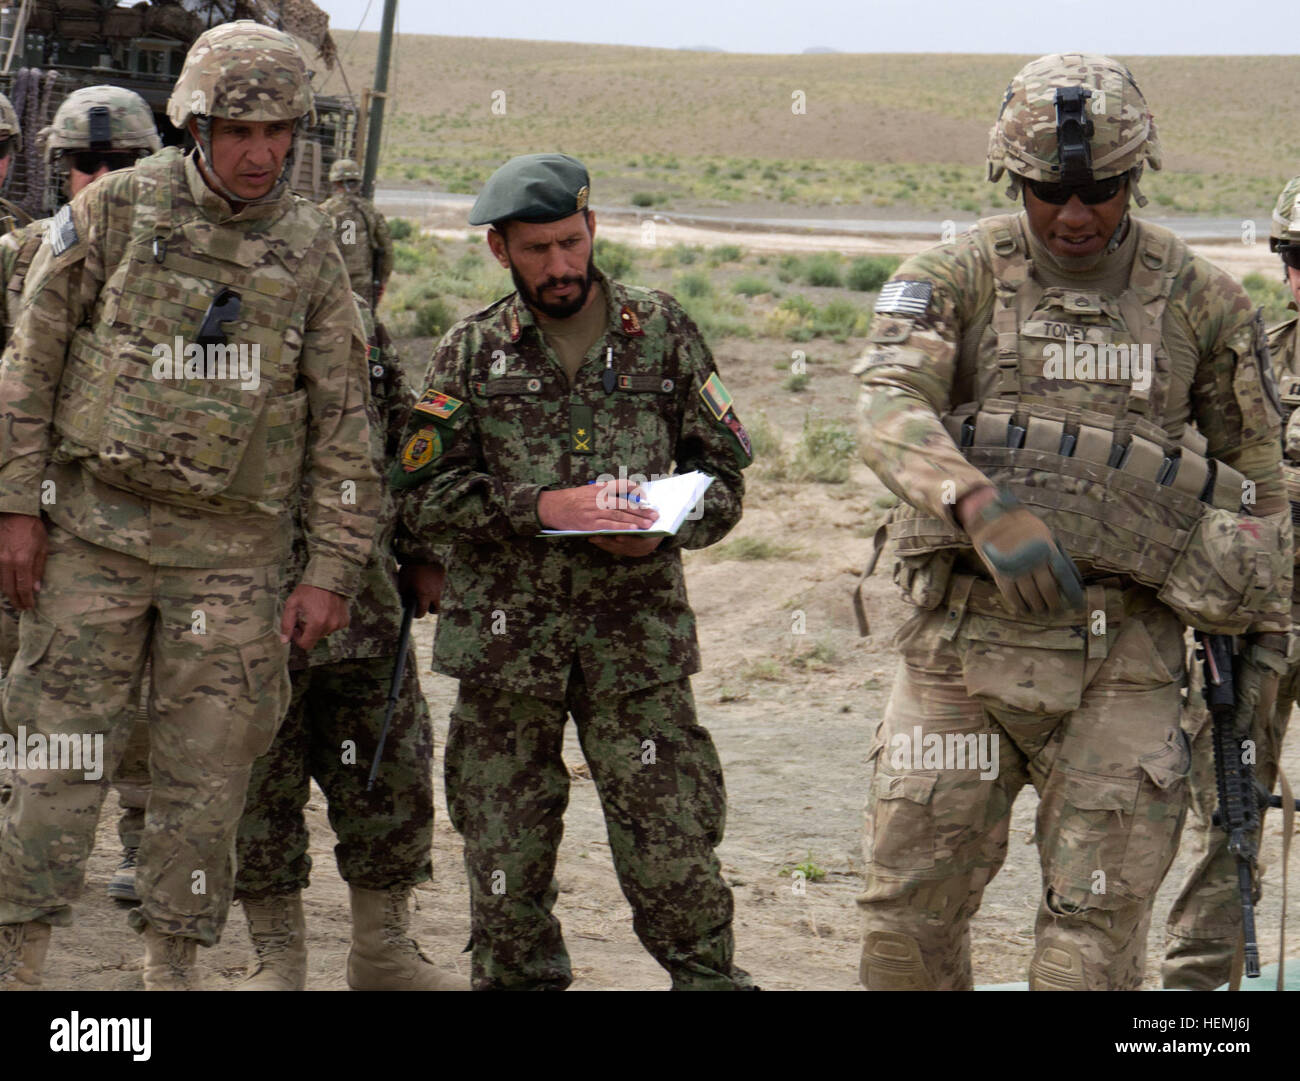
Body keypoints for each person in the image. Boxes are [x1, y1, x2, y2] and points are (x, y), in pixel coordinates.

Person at [854, 52, 1290, 991]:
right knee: (904, 933)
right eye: (1050, 191)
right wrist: (972, 500)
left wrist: (1253, 614)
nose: (1076, 214)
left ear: (1137, 176)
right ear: (1012, 179)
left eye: (1102, 189)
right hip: (959, 651)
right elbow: (887, 404)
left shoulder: (1202, 298)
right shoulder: (957, 274)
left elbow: (1259, 482)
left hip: (1125, 657)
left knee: (1088, 944)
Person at [0, 21, 379, 990]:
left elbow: (345, 423)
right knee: (55, 760)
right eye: (239, 130)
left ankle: (170, 977)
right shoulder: (116, 213)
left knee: (206, 780)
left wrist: (333, 567)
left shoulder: (309, 256)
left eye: (280, 130)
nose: (262, 152)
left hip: (233, 559)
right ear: (196, 124)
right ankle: (20, 962)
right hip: (95, 537)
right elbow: (29, 367)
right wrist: (15, 510)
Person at [393, 152, 756, 990]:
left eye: (570, 242)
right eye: (536, 250)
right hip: (503, 655)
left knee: (673, 846)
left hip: (638, 651)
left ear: (593, 228)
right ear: (499, 250)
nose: (559, 266)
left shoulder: (661, 331)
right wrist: (547, 509)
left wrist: (665, 527)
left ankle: (709, 979)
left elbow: (724, 479)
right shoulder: (473, 350)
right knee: (503, 855)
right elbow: (420, 497)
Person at [234, 292, 465, 991]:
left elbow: (408, 438)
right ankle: (276, 958)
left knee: (390, 776)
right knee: (257, 784)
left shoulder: (352, 316)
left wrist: (424, 550)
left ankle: (383, 951)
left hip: (363, 603)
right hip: (244, 599)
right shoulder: (208, 311)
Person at [0, 86, 164, 899]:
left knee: (145, 692)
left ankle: (139, 839)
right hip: (39, 509)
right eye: (86, 164)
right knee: (28, 687)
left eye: (121, 163)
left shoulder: (184, 255)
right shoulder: (28, 253)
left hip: (133, 519)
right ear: (59, 169)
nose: (101, 178)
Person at [1162, 175, 1300, 989]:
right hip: (1259, 625)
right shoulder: (1259, 359)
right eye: (1297, 256)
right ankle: (1195, 1008)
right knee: (1231, 814)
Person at [318, 158, 392, 309]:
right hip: (362, 283)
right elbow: (387, 248)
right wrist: (383, 278)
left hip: (330, 281)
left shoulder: (323, 211)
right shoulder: (368, 210)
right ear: (358, 182)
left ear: (334, 182)